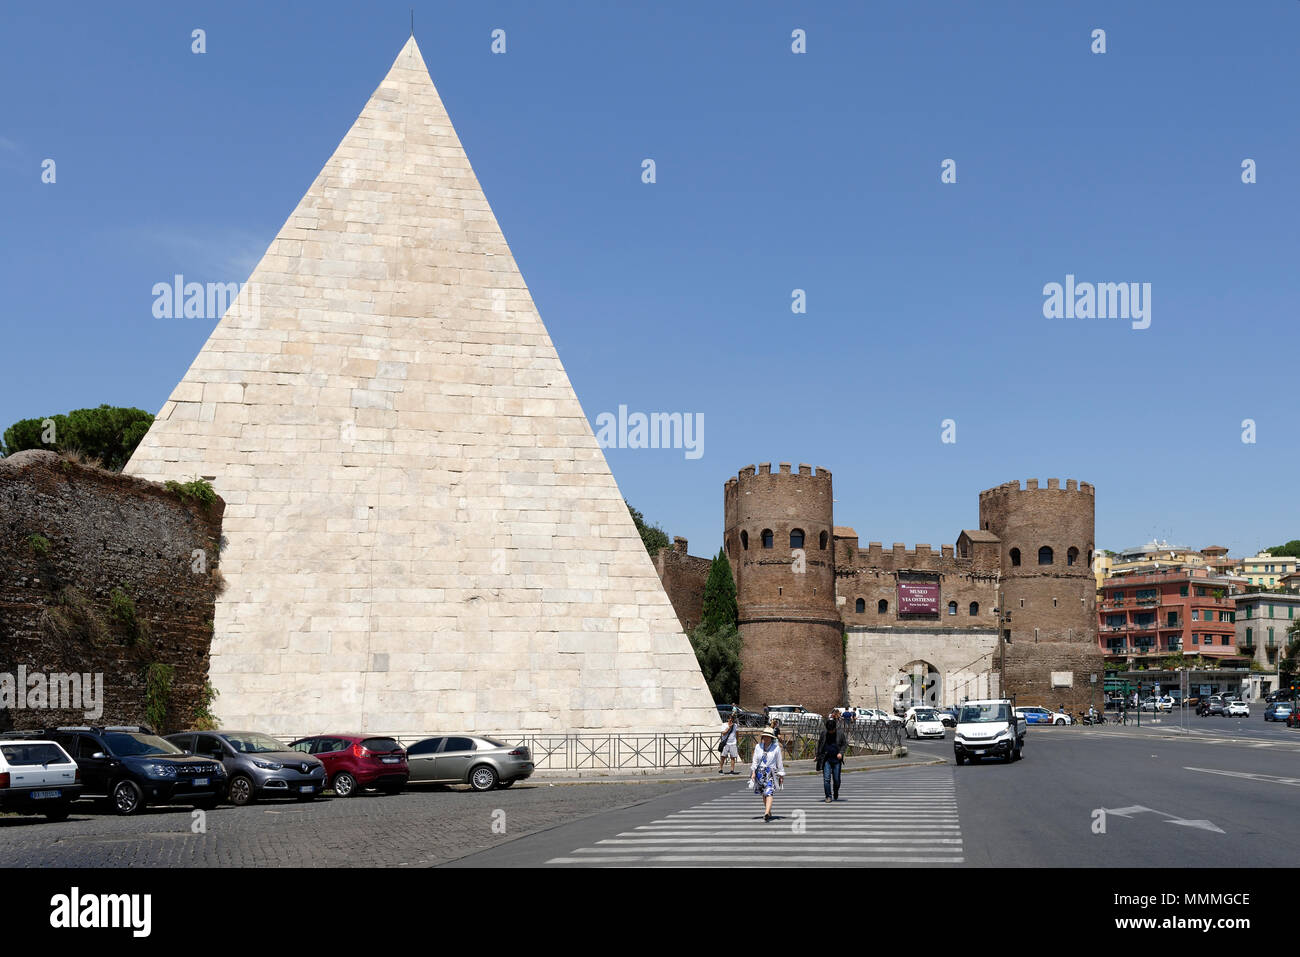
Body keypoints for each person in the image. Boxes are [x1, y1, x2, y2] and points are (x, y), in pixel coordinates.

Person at [749, 726, 785, 822]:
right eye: (764, 736)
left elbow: (779, 762)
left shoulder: (776, 748)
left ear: (771, 738)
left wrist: (781, 775)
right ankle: (768, 811)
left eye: (768, 737)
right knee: (764, 794)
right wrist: (753, 772)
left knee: (769, 792)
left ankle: (766, 813)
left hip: (771, 772)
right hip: (760, 772)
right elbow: (755, 760)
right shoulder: (758, 747)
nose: (766, 738)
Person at [817, 715, 847, 802]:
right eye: (829, 730)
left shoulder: (840, 734)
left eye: (832, 730)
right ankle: (828, 796)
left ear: (835, 728)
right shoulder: (824, 733)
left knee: (837, 779)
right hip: (826, 759)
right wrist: (817, 755)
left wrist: (841, 753)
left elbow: (844, 744)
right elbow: (820, 745)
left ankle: (836, 791)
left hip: (837, 760)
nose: (830, 732)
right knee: (826, 779)